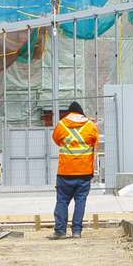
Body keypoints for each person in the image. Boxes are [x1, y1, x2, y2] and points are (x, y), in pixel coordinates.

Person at [51, 101, 100, 239]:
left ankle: (60, 231)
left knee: (62, 200)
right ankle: (77, 231)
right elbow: (95, 145)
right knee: (80, 201)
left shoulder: (61, 124)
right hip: (84, 171)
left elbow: (56, 140)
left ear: (69, 112)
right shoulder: (90, 126)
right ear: (81, 112)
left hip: (65, 171)